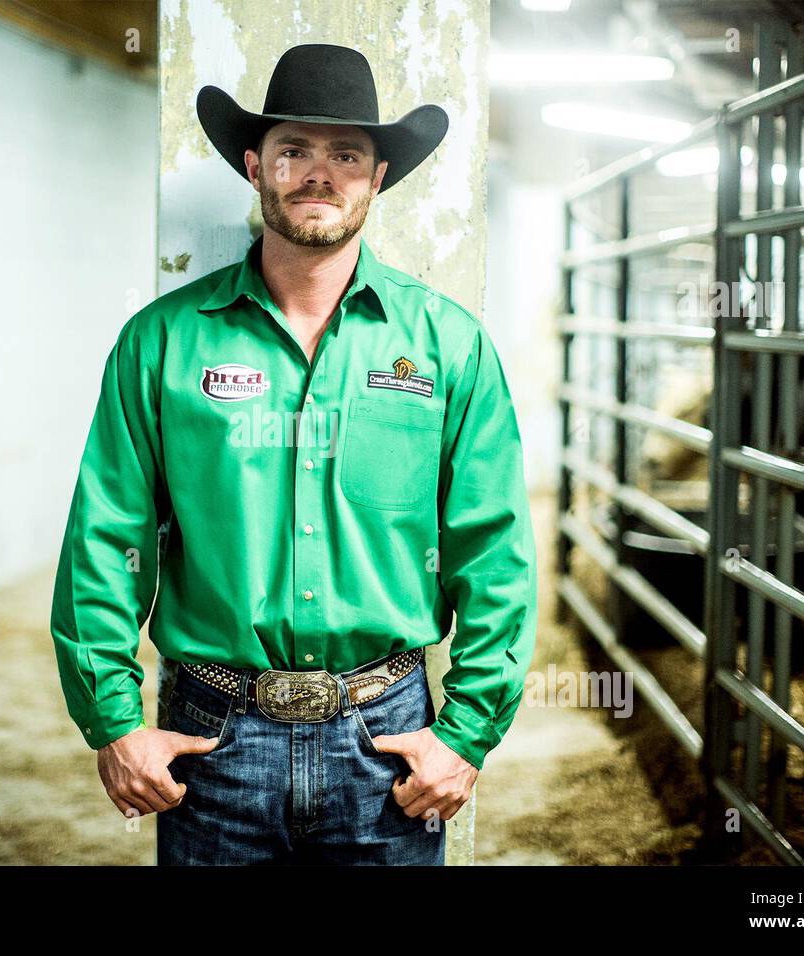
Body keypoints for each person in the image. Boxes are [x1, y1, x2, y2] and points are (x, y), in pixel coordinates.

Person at [50, 43, 538, 865]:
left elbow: (494, 550)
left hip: (388, 742)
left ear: (378, 177)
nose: (320, 174)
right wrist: (115, 721)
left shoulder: (450, 347)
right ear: (254, 165)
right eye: (294, 151)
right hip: (212, 741)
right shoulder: (161, 342)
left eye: (346, 154)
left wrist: (467, 732)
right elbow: (108, 536)